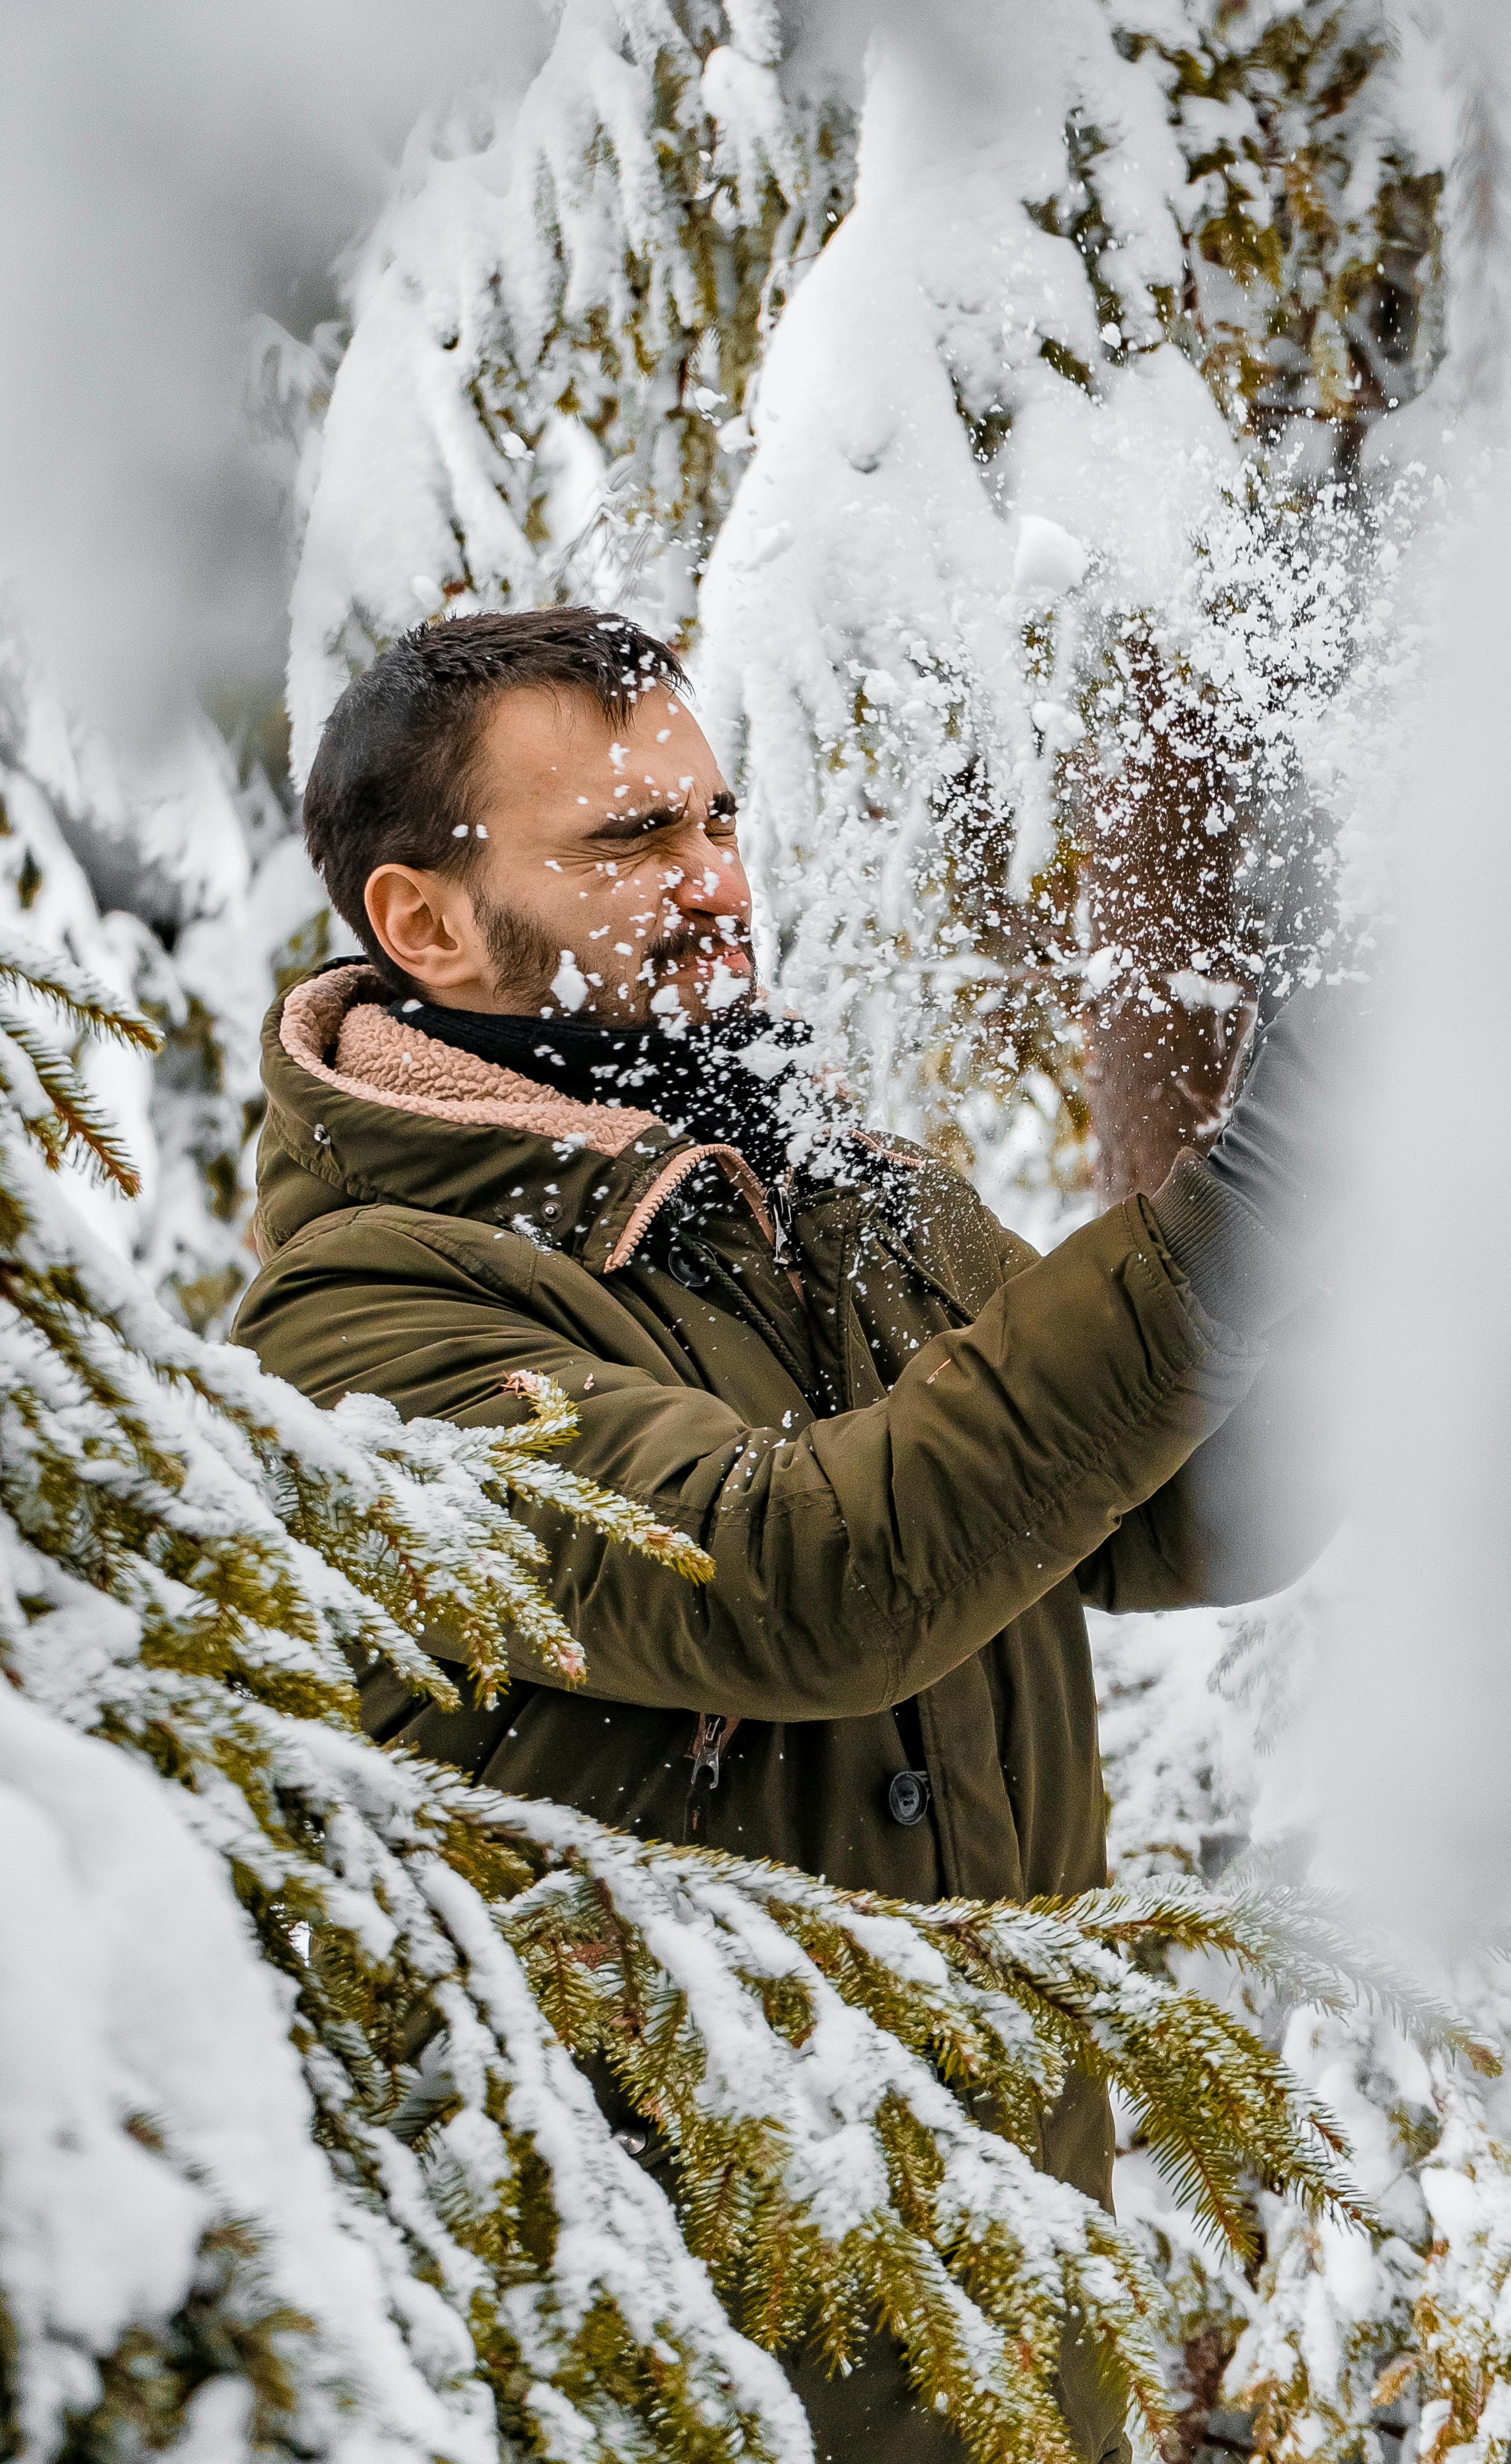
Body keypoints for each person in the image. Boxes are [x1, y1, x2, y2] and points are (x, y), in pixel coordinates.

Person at [233, 606, 1344, 2463]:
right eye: (626, 843)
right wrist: (1269, 1182)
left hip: (1009, 2320)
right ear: (424, 920)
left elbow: (1175, 1519)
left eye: (714, 820)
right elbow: (793, 1578)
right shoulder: (364, 1328)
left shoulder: (833, 1193)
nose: (712, 880)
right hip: (699, 2378)